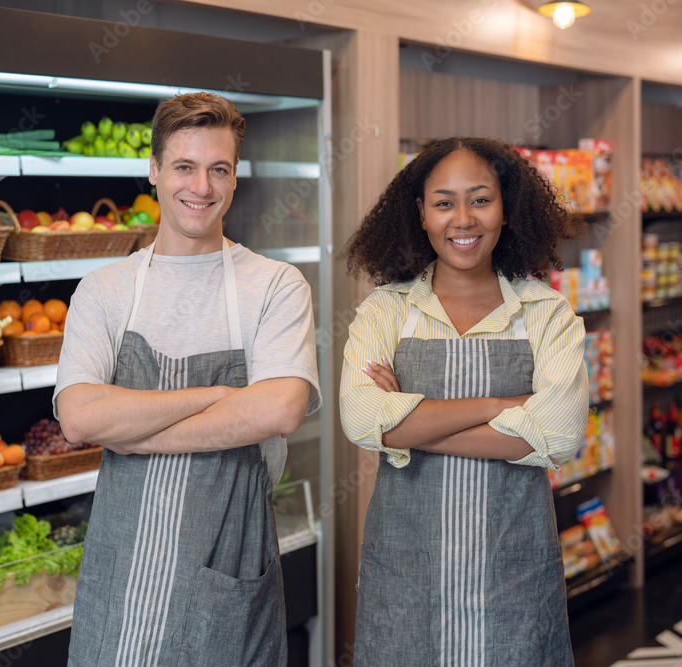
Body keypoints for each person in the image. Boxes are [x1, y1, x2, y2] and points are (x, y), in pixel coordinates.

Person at [54, 91, 322, 667]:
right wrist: (220, 396)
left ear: (234, 176)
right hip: (121, 578)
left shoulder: (275, 285)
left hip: (224, 577)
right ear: (153, 171)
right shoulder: (105, 289)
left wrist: (129, 430)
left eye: (218, 169)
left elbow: (278, 409)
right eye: (183, 167)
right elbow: (79, 417)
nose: (201, 187)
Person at [340, 137, 588, 666]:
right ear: (421, 214)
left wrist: (411, 419)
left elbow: (560, 434)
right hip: (409, 572)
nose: (463, 219)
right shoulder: (387, 310)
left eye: (480, 199)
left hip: (512, 573)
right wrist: (504, 405)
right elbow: (363, 420)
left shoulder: (546, 312)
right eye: (443, 202)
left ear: (506, 209)